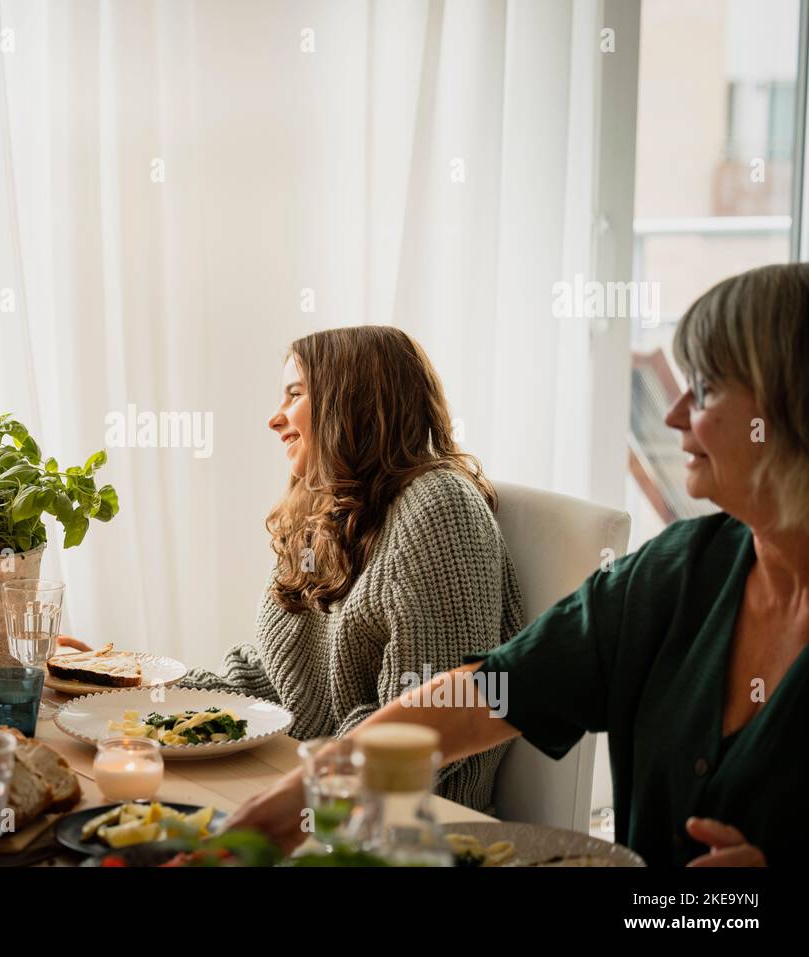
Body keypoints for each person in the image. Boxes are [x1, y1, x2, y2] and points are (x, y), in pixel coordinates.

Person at [227, 264, 809, 867]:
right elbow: (480, 697)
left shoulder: (437, 506)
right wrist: (300, 798)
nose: (674, 414)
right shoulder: (680, 570)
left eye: (707, 389)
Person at [179, 326, 524, 812]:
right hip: (303, 786)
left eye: (295, 394)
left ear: (352, 401)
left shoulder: (439, 507)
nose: (274, 419)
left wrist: (295, 785)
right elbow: (269, 683)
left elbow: (419, 730)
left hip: (402, 828)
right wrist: (145, 688)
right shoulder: (324, 511)